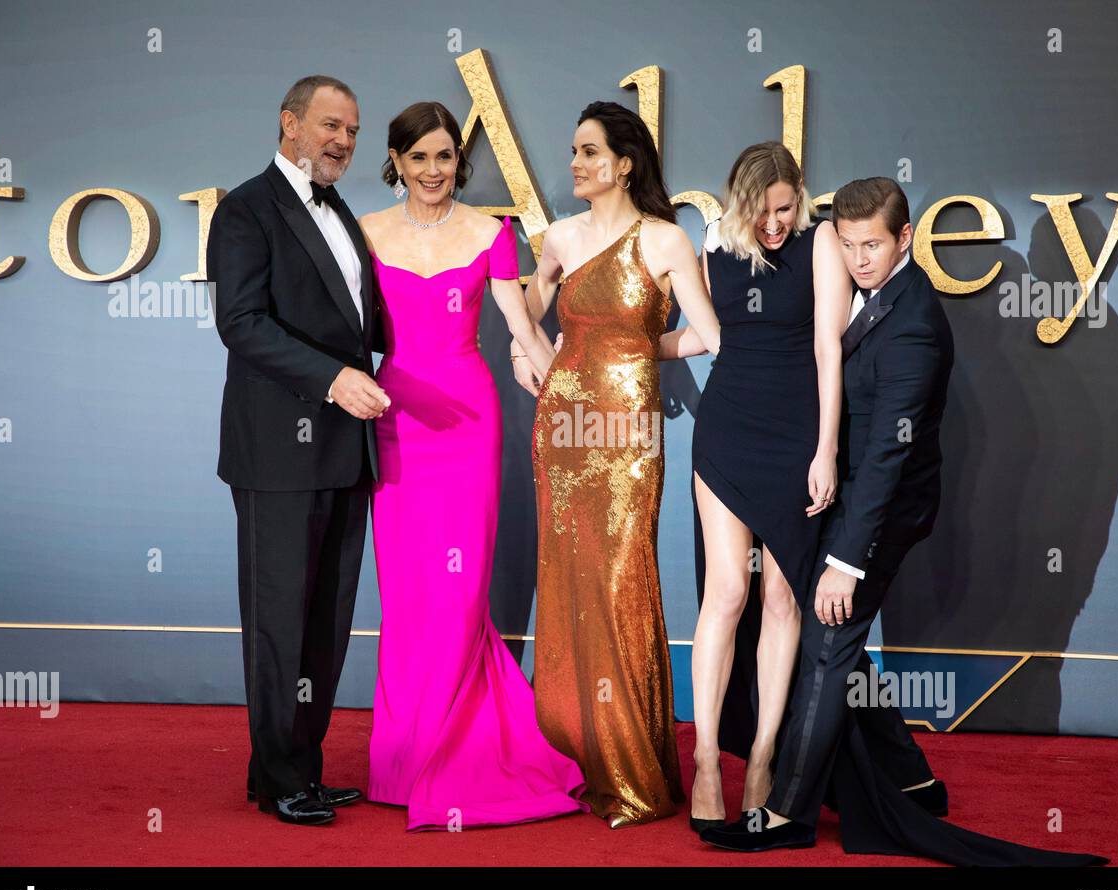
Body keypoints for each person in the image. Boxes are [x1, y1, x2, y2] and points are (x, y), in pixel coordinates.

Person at [701, 177, 1109, 865]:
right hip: (845, 493)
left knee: (826, 644)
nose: (859, 259)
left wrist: (845, 562)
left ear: (906, 239)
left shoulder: (915, 325)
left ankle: (785, 812)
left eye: (873, 246)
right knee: (842, 650)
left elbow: (889, 459)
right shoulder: (865, 291)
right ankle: (912, 777)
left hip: (881, 512)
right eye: (849, 244)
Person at [358, 102, 588, 830]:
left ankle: (453, 749)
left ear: (461, 162)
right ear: (395, 161)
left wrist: (569, 397)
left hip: (468, 425)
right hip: (394, 421)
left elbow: (522, 327)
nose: (433, 171)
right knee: (406, 590)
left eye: (446, 157)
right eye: (419, 157)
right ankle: (402, 756)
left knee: (458, 592)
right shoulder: (363, 235)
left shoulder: (493, 234)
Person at [514, 101, 721, 828]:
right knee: (567, 578)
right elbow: (526, 313)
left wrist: (638, 352)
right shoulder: (559, 239)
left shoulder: (665, 240)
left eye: (589, 150)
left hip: (627, 433)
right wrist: (525, 354)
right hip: (562, 430)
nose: (573, 162)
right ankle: (581, 750)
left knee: (619, 577)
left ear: (625, 163)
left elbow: (708, 332)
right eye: (572, 150)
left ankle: (633, 767)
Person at [208, 75, 390, 825]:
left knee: (325, 617)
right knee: (280, 619)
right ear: (288, 124)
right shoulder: (246, 208)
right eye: (329, 126)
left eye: (351, 129)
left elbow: (359, 320)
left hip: (347, 449)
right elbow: (241, 323)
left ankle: (296, 768)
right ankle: (281, 775)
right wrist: (335, 380)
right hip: (279, 452)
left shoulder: (342, 208)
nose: (343, 141)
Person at [686, 143, 849, 831]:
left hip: (795, 437)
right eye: (763, 211)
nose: (775, 223)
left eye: (786, 208)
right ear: (739, 202)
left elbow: (829, 347)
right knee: (727, 591)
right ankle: (701, 757)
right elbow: (703, 337)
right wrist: (610, 346)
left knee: (783, 598)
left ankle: (760, 757)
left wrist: (826, 449)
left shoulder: (822, 242)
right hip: (726, 430)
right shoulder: (710, 247)